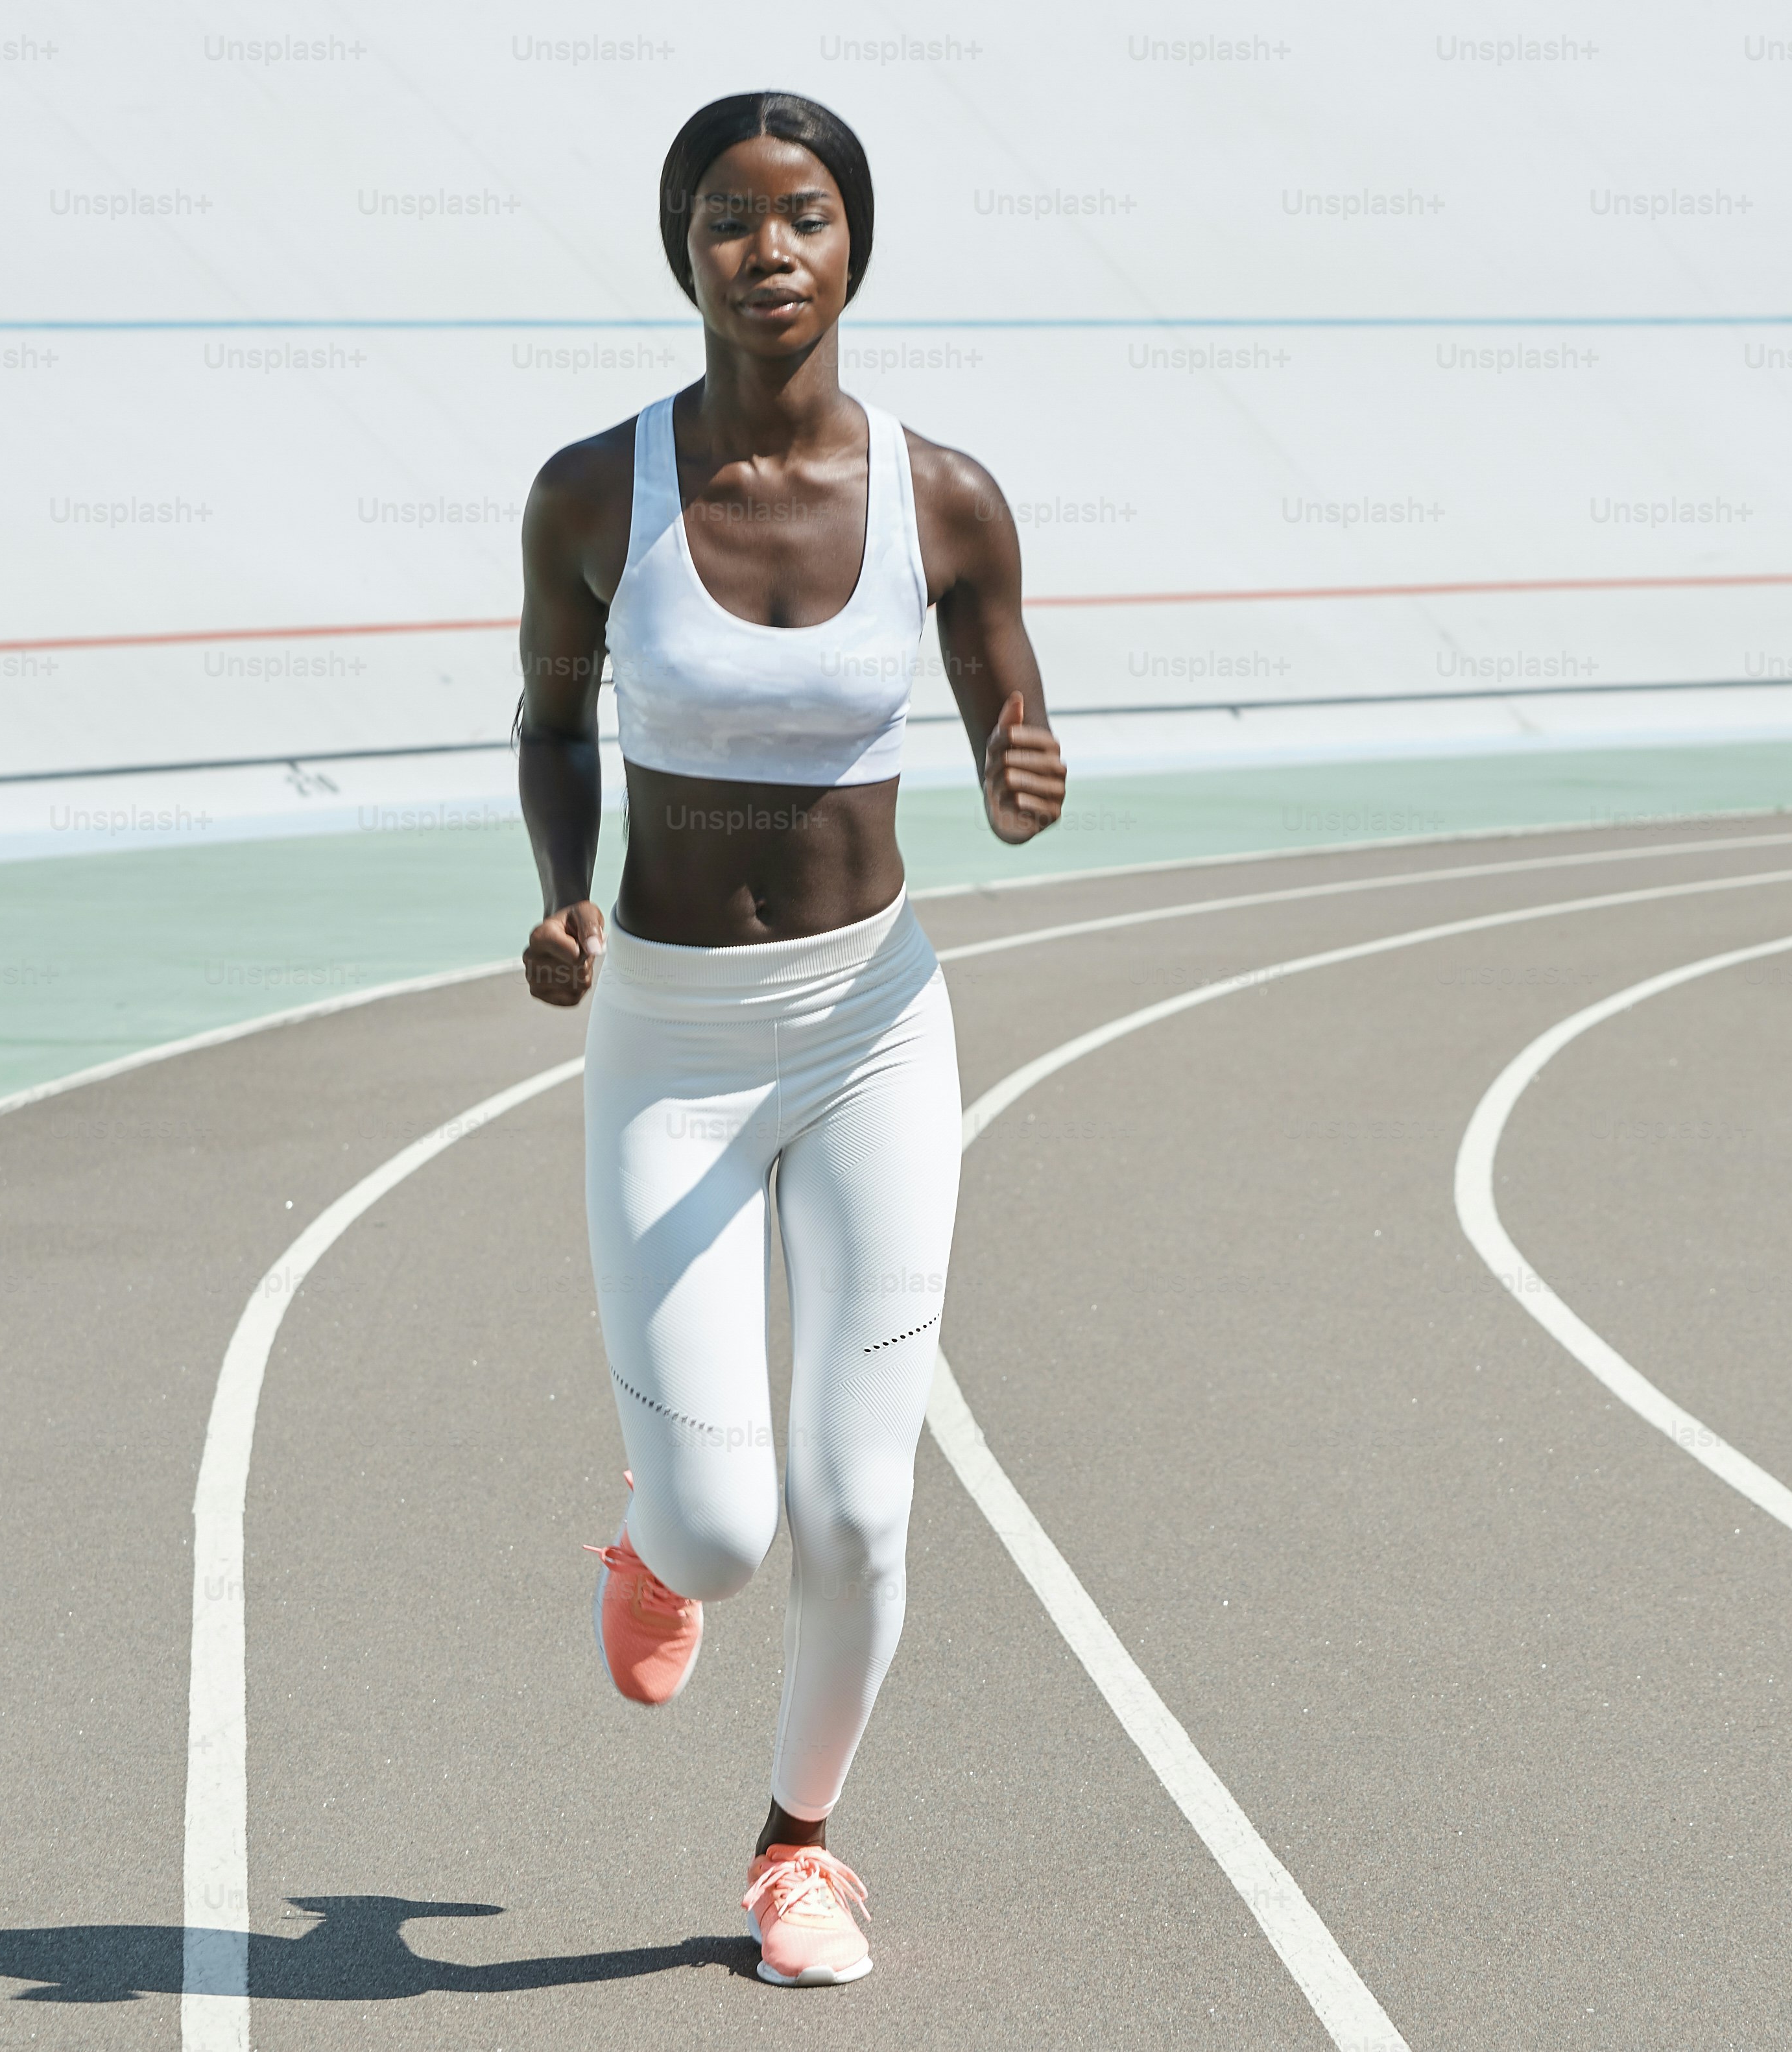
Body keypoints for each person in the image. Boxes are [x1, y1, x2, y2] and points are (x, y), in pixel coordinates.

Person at [507, 88, 1062, 1990]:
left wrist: (1019, 776)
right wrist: (564, 887)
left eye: (805, 215)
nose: (770, 251)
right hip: (670, 1038)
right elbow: (545, 717)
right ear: (683, 253)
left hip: (872, 1030)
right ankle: (656, 1552)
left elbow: (1011, 727)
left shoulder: (944, 496)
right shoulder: (598, 492)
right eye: (731, 220)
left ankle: (798, 1847)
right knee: (735, 1526)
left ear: (856, 246)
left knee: (857, 1503)